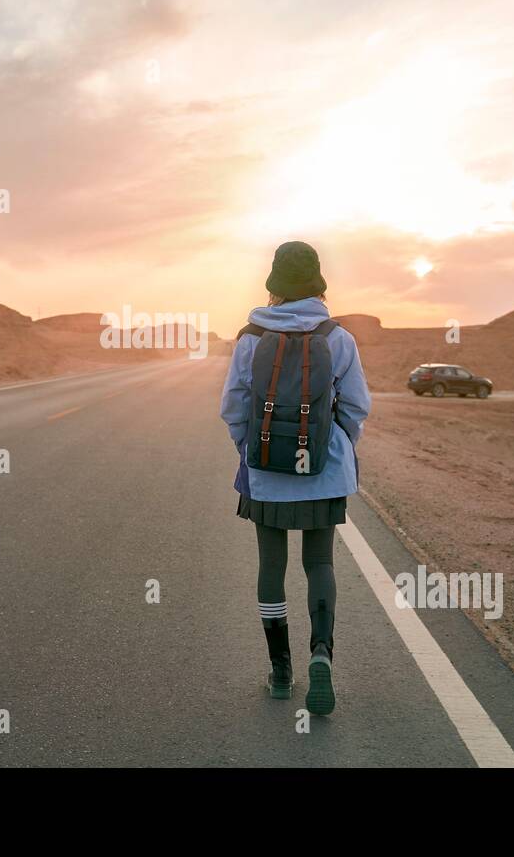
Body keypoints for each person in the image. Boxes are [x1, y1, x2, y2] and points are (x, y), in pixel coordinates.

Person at [219, 241, 371, 715]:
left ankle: (281, 671)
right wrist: (336, 445)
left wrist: (254, 450)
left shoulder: (250, 337)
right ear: (317, 283)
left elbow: (233, 408)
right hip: (322, 472)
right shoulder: (338, 337)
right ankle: (321, 655)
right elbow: (356, 407)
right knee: (319, 563)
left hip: (267, 474)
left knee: (271, 567)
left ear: (274, 285)